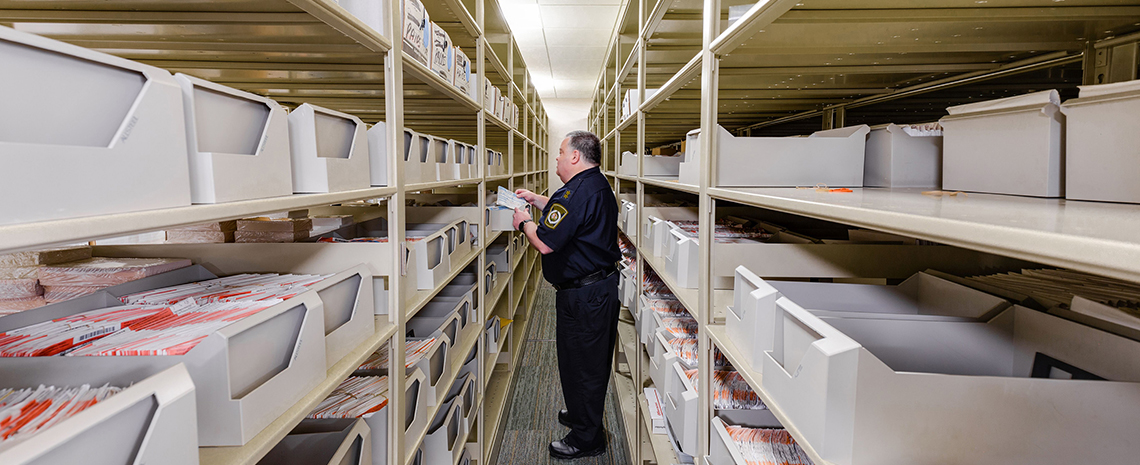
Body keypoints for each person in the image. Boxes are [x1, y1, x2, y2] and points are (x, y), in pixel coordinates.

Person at [512, 130, 622, 459]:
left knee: (583, 365)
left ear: (575, 156)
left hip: (586, 296)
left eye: (560, 152)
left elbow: (545, 241)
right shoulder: (591, 186)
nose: (557, 158)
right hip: (591, 291)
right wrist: (538, 200)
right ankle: (580, 415)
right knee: (578, 361)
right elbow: (570, 218)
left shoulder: (578, 191)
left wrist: (523, 222)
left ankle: (587, 438)